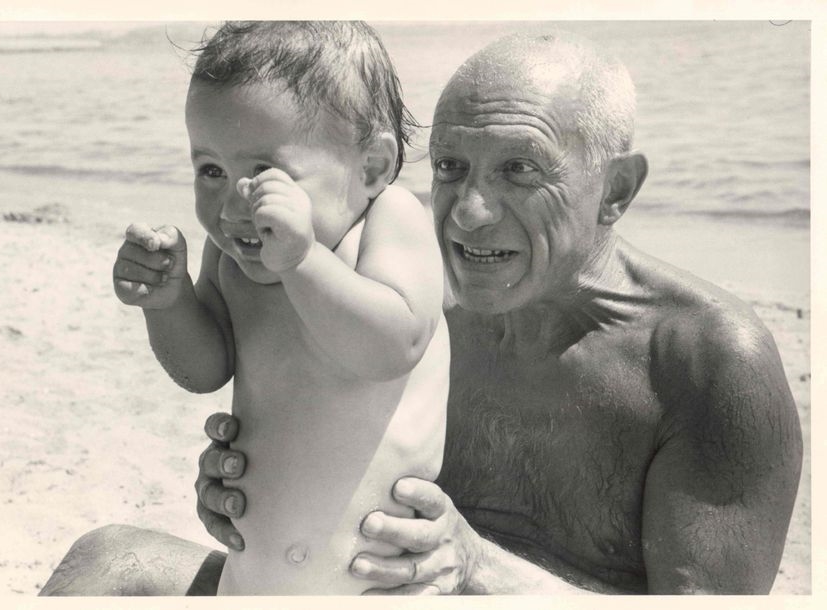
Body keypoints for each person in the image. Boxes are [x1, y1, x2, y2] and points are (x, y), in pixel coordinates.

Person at [41, 29, 802, 596]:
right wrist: (252, 490)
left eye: (519, 171)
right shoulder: (390, 289)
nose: (466, 214)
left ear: (616, 190)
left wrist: (478, 567)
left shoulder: (703, 360)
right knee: (113, 557)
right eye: (448, 168)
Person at [100, 21, 448, 596]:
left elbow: (394, 346)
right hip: (250, 579)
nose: (236, 202)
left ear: (371, 168)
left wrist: (303, 261)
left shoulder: (391, 222)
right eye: (211, 170)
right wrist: (168, 303)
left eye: (265, 173)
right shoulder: (230, 256)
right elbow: (205, 368)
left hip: (379, 582)